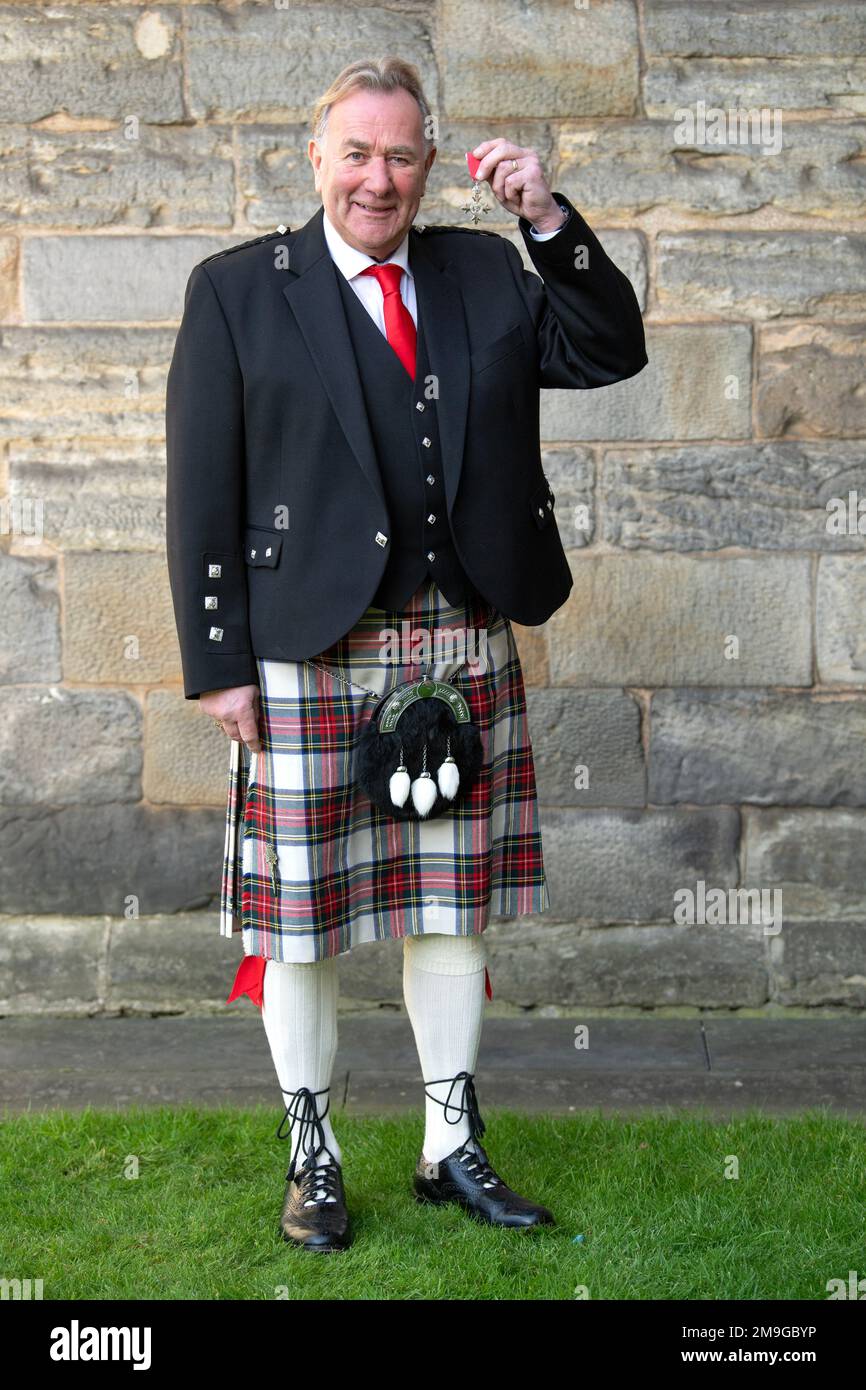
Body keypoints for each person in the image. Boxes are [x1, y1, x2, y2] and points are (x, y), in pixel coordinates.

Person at [165, 56, 647, 1254]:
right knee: (300, 924)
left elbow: (610, 347)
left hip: (457, 633)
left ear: (431, 161)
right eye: (356, 152)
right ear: (315, 155)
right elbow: (198, 490)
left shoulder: (485, 268)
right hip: (303, 650)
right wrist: (216, 659)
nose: (377, 179)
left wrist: (546, 219)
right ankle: (313, 1154)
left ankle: (446, 1145)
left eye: (400, 154)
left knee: (450, 910)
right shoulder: (237, 289)